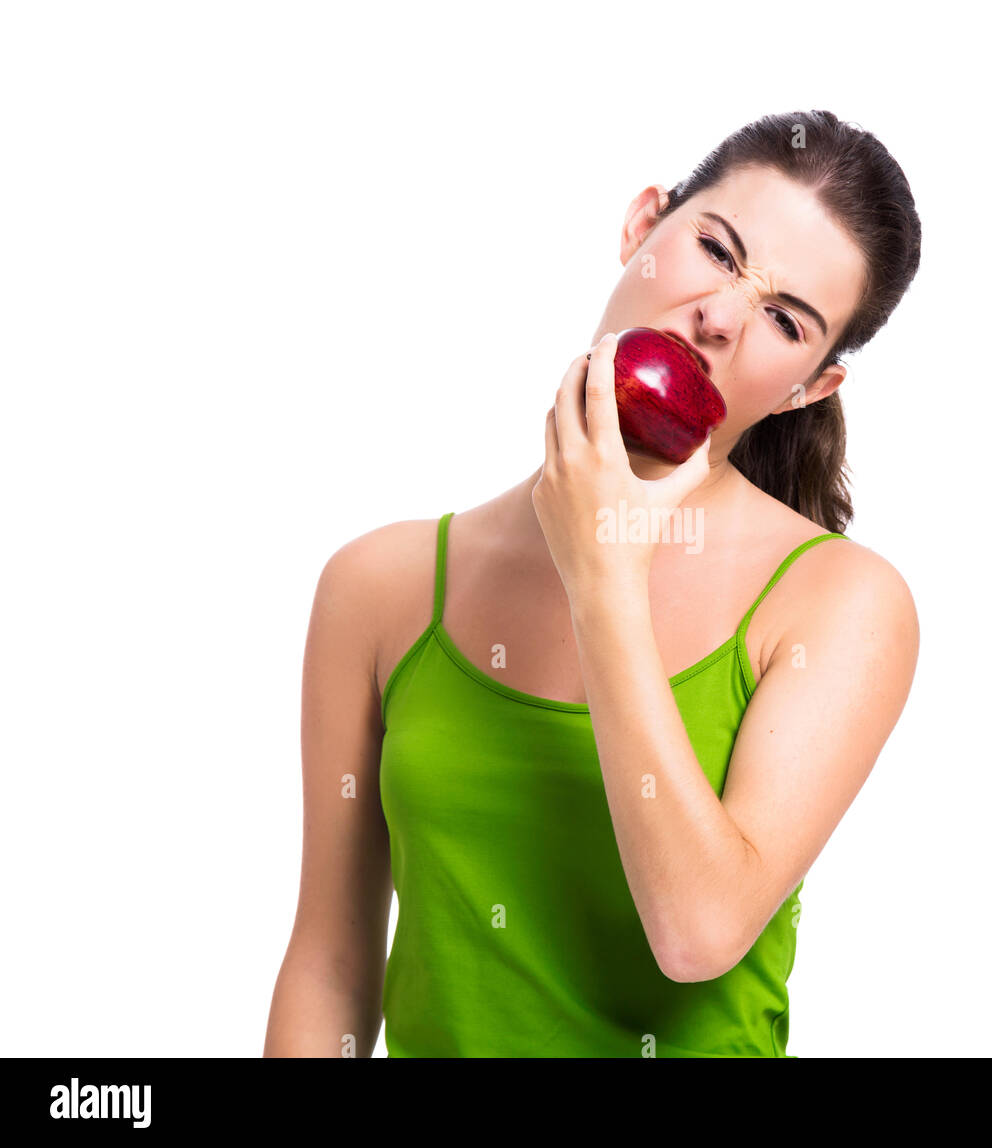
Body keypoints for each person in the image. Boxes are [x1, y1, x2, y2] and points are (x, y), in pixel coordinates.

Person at [264, 109, 923, 1057]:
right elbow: (330, 962)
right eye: (715, 249)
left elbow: (697, 932)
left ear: (808, 389)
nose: (721, 317)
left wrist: (602, 577)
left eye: (785, 321)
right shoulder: (378, 586)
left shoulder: (840, 605)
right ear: (641, 226)